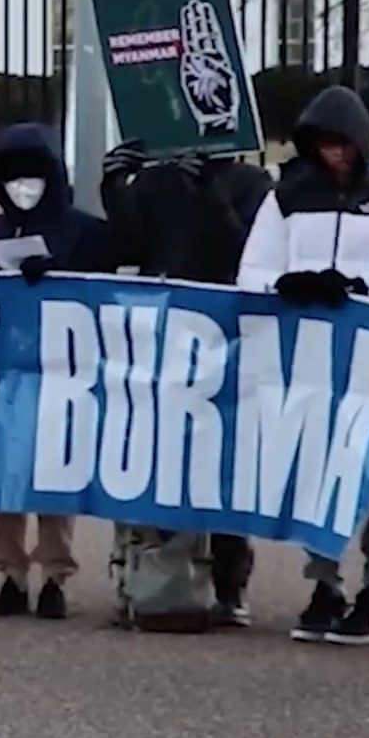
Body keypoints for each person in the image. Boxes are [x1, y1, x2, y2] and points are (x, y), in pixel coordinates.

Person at [234, 84, 369, 646]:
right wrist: (289, 284)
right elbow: (253, 271)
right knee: (317, 475)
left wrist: (360, 284)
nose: (334, 155)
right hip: (309, 356)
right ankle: (324, 583)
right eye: (324, 144)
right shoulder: (286, 197)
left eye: (342, 144)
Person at [101, 135, 277, 630]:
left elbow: (244, 250)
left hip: (223, 335)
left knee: (221, 463)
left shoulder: (252, 182)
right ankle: (155, 579)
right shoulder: (159, 180)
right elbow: (130, 246)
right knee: (162, 460)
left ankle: (228, 582)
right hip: (164, 331)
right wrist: (117, 185)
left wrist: (209, 190)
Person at [0, 122, 111, 620]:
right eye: (11, 178)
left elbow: (104, 286)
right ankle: (10, 572)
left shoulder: (83, 230)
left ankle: (55, 576)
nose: (22, 188)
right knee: (4, 474)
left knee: (54, 474)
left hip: (60, 371)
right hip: (4, 368)